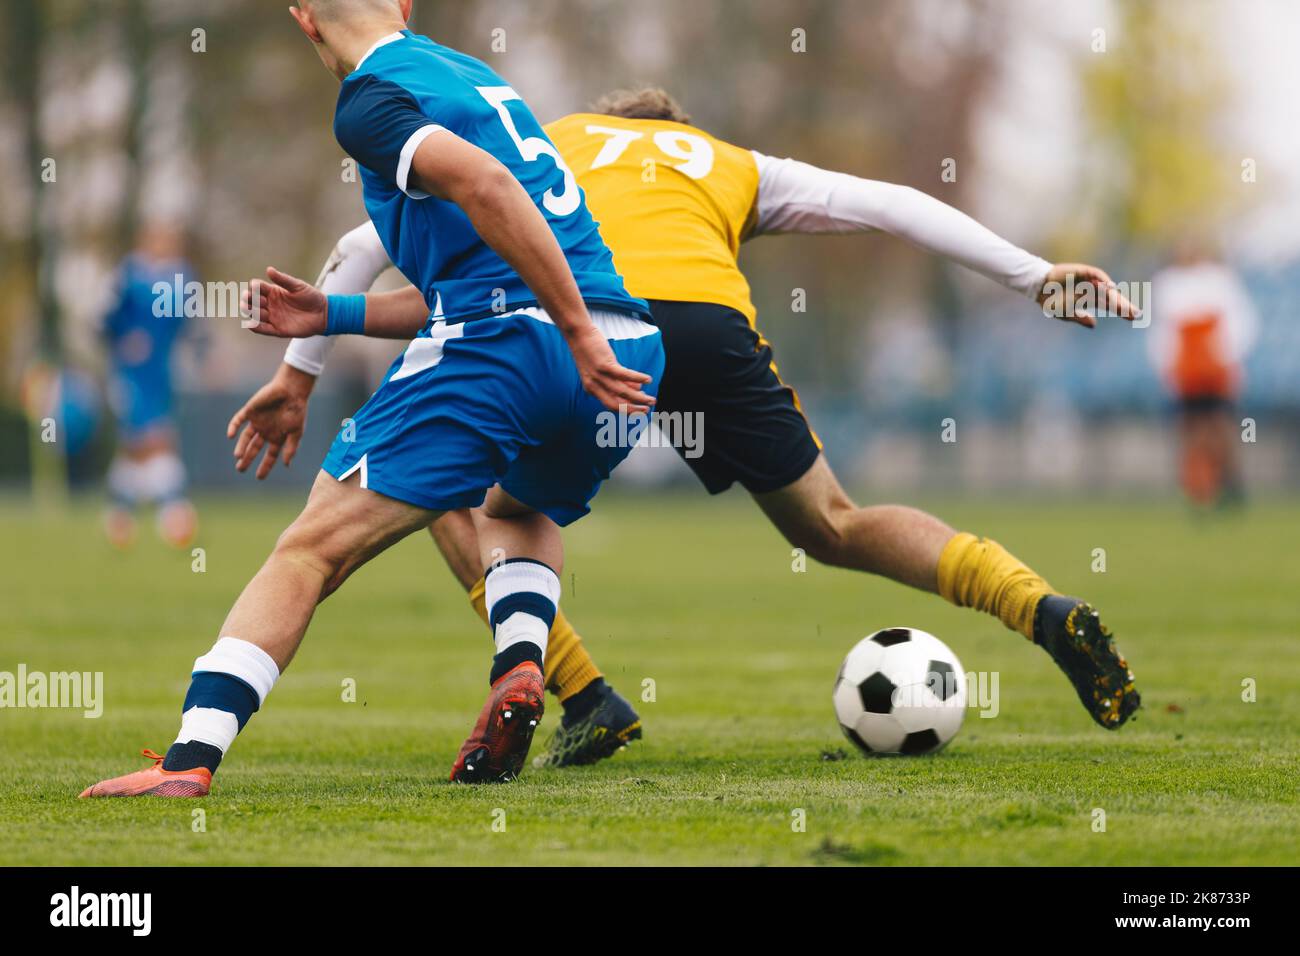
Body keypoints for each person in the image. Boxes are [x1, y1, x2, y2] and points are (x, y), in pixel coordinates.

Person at [231, 87, 1143, 764]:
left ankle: (579, 690)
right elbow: (892, 204)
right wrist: (1033, 278)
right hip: (704, 330)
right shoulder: (726, 160)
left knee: (455, 493)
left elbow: (358, 251)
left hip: (573, 329)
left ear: (606, 117)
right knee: (833, 524)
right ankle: (1038, 606)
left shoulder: (539, 146)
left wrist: (297, 375)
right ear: (673, 126)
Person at [79, 0, 663, 797]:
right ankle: (524, 663)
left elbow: (488, 194)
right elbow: (462, 274)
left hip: (525, 344)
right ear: (403, 5)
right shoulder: (477, 78)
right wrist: (333, 318)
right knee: (513, 509)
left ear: (304, 20)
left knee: (309, 551)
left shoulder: (370, 100)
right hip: (630, 346)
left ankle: (187, 761)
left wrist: (569, 332)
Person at [101, 221, 200, 549]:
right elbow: (105, 319)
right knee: (150, 438)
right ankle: (174, 512)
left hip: (163, 370)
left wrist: (204, 354)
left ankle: (120, 515)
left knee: (142, 444)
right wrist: (122, 341)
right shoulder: (129, 274)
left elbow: (189, 323)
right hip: (130, 372)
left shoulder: (182, 276)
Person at [1148, 239, 1258, 508]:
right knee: (1191, 429)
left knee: (1219, 426)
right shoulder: (1167, 283)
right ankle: (1199, 486)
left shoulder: (1219, 280)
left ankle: (1229, 483)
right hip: (1187, 367)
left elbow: (1240, 321)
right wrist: (1166, 364)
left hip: (1214, 364)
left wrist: (1226, 354)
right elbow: (1162, 330)